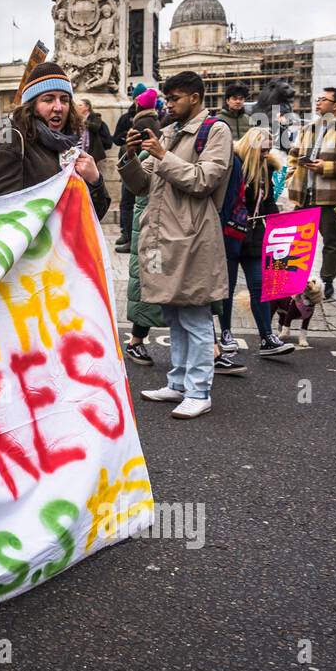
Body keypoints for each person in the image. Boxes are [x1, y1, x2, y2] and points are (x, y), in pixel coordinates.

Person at [119, 71, 233, 420]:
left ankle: (200, 391)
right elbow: (143, 186)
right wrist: (129, 157)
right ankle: (179, 382)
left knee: (196, 315)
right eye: (167, 100)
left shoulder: (216, 131)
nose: (169, 105)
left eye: (175, 99)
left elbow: (203, 180)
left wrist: (163, 155)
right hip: (160, 237)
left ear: (195, 97)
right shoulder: (167, 133)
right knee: (172, 313)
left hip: (194, 237)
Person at [0, 62, 110, 216]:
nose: (58, 107)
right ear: (31, 106)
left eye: (64, 100)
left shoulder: (69, 145)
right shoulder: (11, 142)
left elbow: (93, 217)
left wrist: (95, 181)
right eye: (48, 99)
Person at [219, 128, 294, 357]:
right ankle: (225, 334)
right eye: (263, 150)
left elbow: (269, 201)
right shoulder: (233, 165)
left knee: (260, 286)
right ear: (251, 148)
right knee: (227, 289)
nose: (267, 153)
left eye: (269, 150)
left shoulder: (266, 168)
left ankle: (267, 337)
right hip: (230, 234)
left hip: (253, 235)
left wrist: (278, 228)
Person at [286, 86, 336, 300]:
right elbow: (293, 155)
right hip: (304, 195)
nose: (318, 102)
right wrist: (291, 177)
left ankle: (327, 280)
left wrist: (325, 167)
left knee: (331, 241)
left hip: (330, 197)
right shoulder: (308, 129)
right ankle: (297, 280)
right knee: (299, 241)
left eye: (323, 100)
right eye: (318, 99)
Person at [123, 90, 164, 365]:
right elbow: (142, 180)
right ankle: (136, 339)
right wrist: (130, 154)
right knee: (148, 278)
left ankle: (210, 345)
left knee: (153, 279)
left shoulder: (154, 125)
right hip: (148, 212)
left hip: (158, 212)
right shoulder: (153, 126)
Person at [113, 83, 149, 252]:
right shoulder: (127, 117)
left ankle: (131, 237)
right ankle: (126, 234)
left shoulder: (149, 120)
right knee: (126, 203)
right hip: (129, 162)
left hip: (143, 165)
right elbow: (116, 138)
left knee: (131, 202)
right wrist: (126, 139)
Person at [74, 96, 113, 163]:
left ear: (87, 107)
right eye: (76, 105)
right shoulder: (76, 118)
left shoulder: (95, 116)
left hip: (92, 149)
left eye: (80, 105)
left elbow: (95, 127)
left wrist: (85, 121)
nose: (77, 107)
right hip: (78, 148)